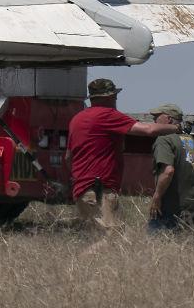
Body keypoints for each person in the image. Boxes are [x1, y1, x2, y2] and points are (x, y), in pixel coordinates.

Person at [68, 78, 178, 231]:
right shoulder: (108, 115)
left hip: (82, 190)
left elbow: (68, 157)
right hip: (100, 191)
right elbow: (148, 130)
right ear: (109, 97)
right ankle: (79, 257)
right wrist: (175, 128)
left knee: (98, 238)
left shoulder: (77, 119)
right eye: (114, 97)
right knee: (112, 239)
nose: (116, 100)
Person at [147, 104, 194, 232]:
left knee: (157, 248)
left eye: (157, 117)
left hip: (170, 209)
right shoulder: (189, 140)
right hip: (190, 206)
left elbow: (168, 171)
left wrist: (156, 197)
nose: (154, 121)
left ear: (169, 119)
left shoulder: (163, 140)